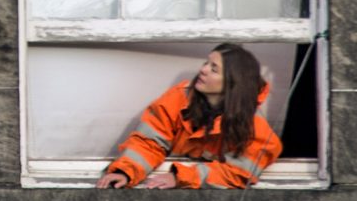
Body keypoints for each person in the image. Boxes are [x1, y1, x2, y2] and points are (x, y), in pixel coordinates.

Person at [96, 45, 282, 189]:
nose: (204, 70)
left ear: (233, 83)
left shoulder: (254, 127)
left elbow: (239, 172)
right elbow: (149, 142)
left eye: (214, 69)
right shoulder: (178, 97)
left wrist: (181, 177)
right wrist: (125, 172)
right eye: (206, 63)